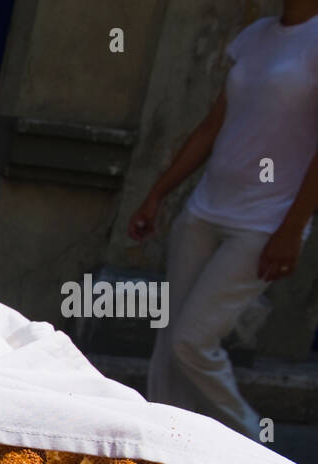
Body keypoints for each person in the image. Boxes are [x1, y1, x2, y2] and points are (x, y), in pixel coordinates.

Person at [129, 2, 318, 437]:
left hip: (264, 222)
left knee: (191, 341)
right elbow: (211, 128)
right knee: (168, 344)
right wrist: (157, 193)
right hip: (203, 210)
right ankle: (164, 452)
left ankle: (255, 444)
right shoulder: (255, 35)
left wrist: (291, 230)